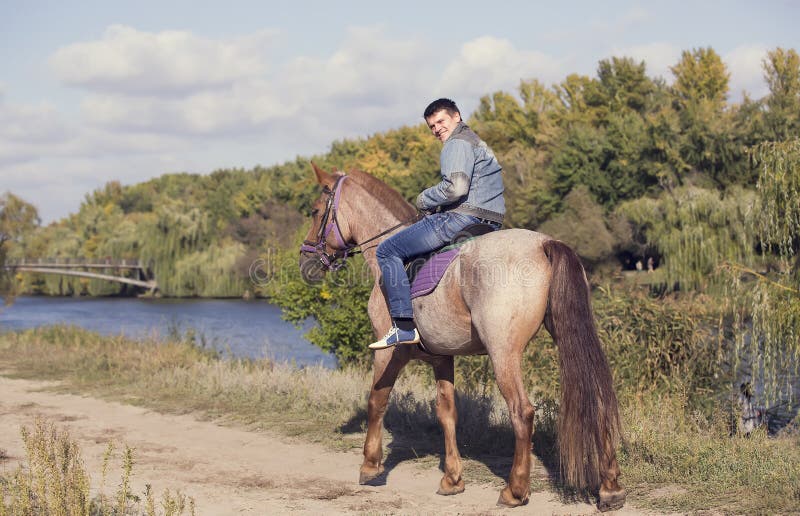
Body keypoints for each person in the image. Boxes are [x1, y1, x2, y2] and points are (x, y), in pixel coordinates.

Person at [369, 98, 505, 350]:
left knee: (387, 251)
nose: (436, 129)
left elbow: (456, 188)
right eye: (431, 126)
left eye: (440, 121)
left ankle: (403, 327)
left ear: (457, 116)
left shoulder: (456, 143)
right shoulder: (478, 143)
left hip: (462, 217)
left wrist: (424, 198)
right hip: (492, 221)